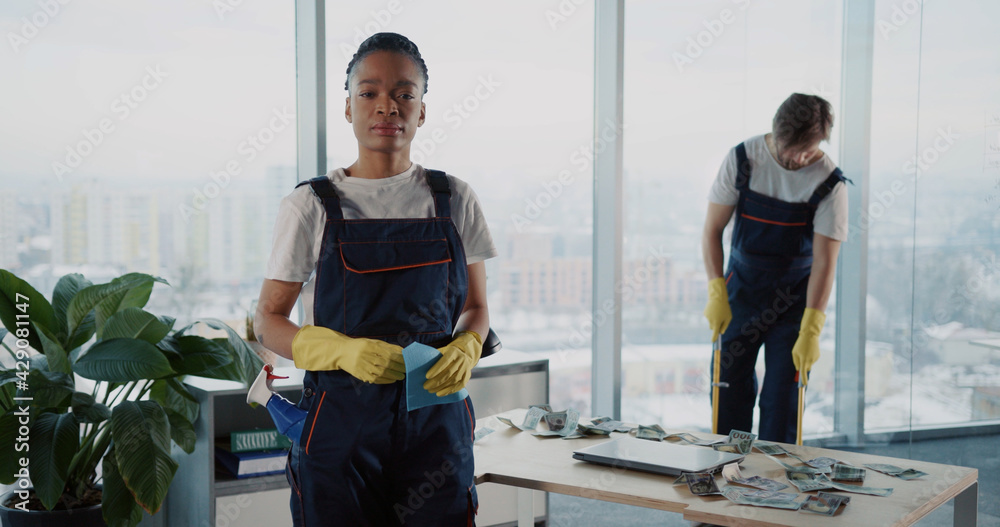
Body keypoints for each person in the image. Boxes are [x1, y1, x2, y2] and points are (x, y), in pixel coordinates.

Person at [253, 32, 497, 526]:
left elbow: (477, 306)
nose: (388, 106)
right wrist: (341, 351)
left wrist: (469, 344)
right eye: (369, 93)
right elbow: (268, 321)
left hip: (436, 424)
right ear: (348, 107)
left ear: (422, 110)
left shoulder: (454, 198)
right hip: (342, 428)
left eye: (405, 94)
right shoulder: (311, 206)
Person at [701, 93, 849, 443]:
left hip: (795, 304)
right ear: (775, 133)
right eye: (789, 150)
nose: (797, 159)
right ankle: (727, 479)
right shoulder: (743, 160)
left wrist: (812, 328)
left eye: (807, 151)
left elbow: (826, 263)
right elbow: (711, 230)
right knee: (728, 397)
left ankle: (775, 488)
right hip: (739, 295)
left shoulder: (831, 184)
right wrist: (715, 290)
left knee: (782, 403)